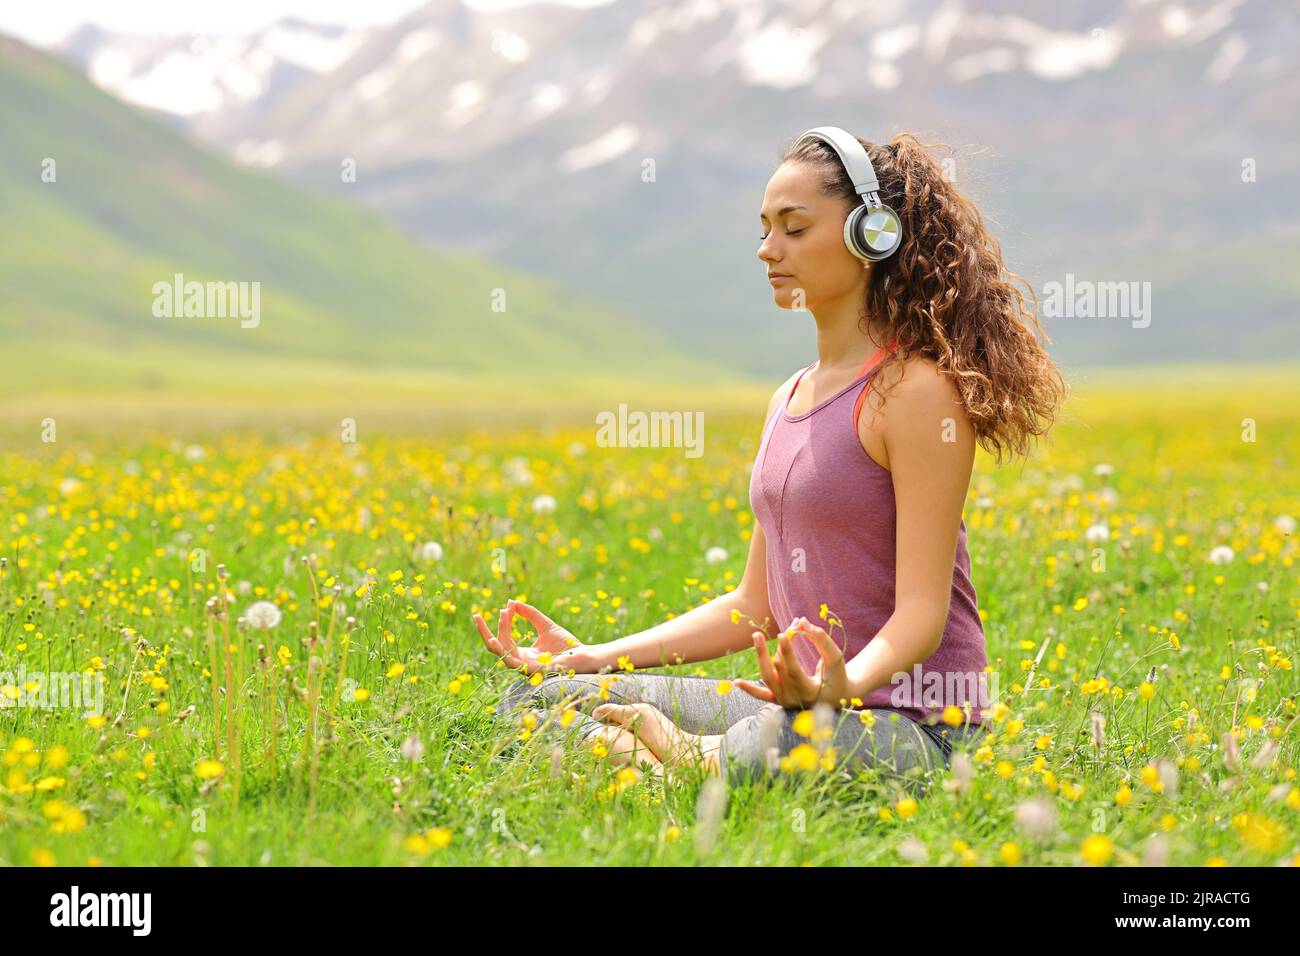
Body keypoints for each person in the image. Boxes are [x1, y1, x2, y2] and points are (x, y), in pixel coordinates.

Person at [474, 128, 1067, 791]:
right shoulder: (788, 396)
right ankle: (669, 765)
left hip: (915, 726)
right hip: (791, 708)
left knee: (783, 739)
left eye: (793, 228)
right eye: (764, 229)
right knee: (536, 704)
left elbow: (922, 614)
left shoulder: (916, 393)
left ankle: (688, 763)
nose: (767, 250)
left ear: (872, 235)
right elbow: (754, 605)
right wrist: (595, 657)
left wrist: (839, 686)